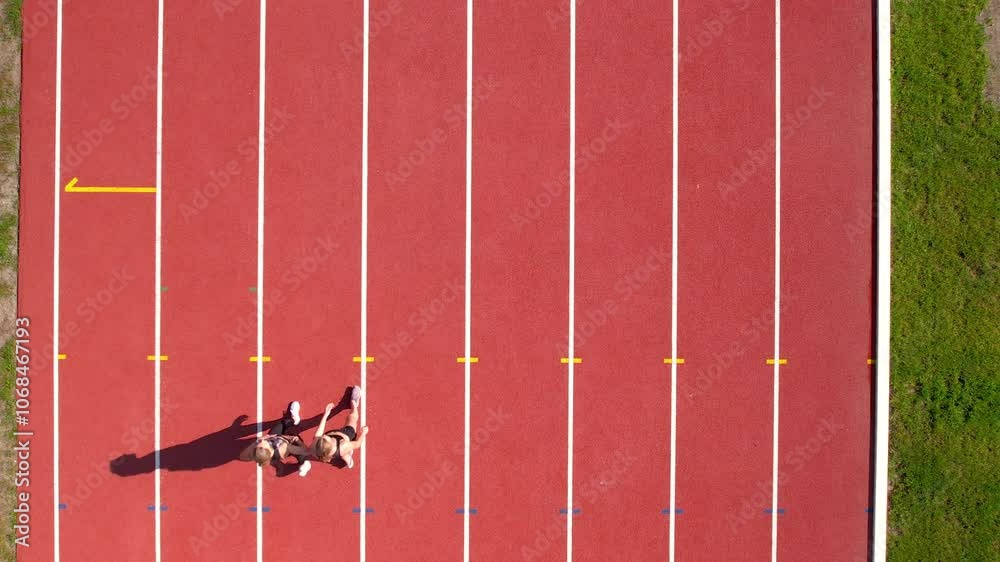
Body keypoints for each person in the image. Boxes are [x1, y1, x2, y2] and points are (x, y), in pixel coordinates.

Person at [240, 401, 313, 476]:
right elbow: (306, 450)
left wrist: (257, 442)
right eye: (263, 442)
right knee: (290, 432)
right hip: (286, 443)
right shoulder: (283, 448)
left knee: (281, 423)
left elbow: (242, 456)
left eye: (259, 443)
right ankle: (305, 463)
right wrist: (297, 440)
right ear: (269, 449)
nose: (261, 440)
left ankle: (292, 420)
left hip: (276, 439)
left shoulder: (259, 453)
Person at [311, 386, 369, 468]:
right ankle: (354, 403)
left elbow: (320, 431)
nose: (323, 435)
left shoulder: (317, 445)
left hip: (335, 448)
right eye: (326, 437)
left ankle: (346, 457)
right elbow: (357, 444)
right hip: (347, 435)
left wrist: (326, 414)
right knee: (352, 417)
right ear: (330, 444)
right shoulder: (344, 445)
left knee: (343, 452)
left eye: (323, 437)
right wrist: (363, 433)